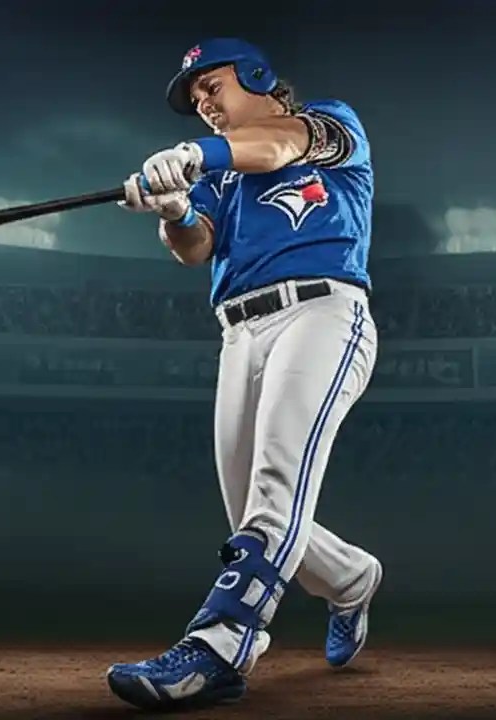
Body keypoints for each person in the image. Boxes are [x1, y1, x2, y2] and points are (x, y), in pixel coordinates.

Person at [107, 37, 383, 711]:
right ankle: (352, 579)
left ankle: (221, 648)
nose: (202, 102)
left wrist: (198, 156)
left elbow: (281, 146)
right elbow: (196, 249)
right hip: (238, 332)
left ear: (257, 75)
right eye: (194, 98)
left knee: (273, 491)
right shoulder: (221, 175)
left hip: (320, 311)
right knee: (255, 516)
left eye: (212, 84)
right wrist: (175, 211)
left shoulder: (328, 124)